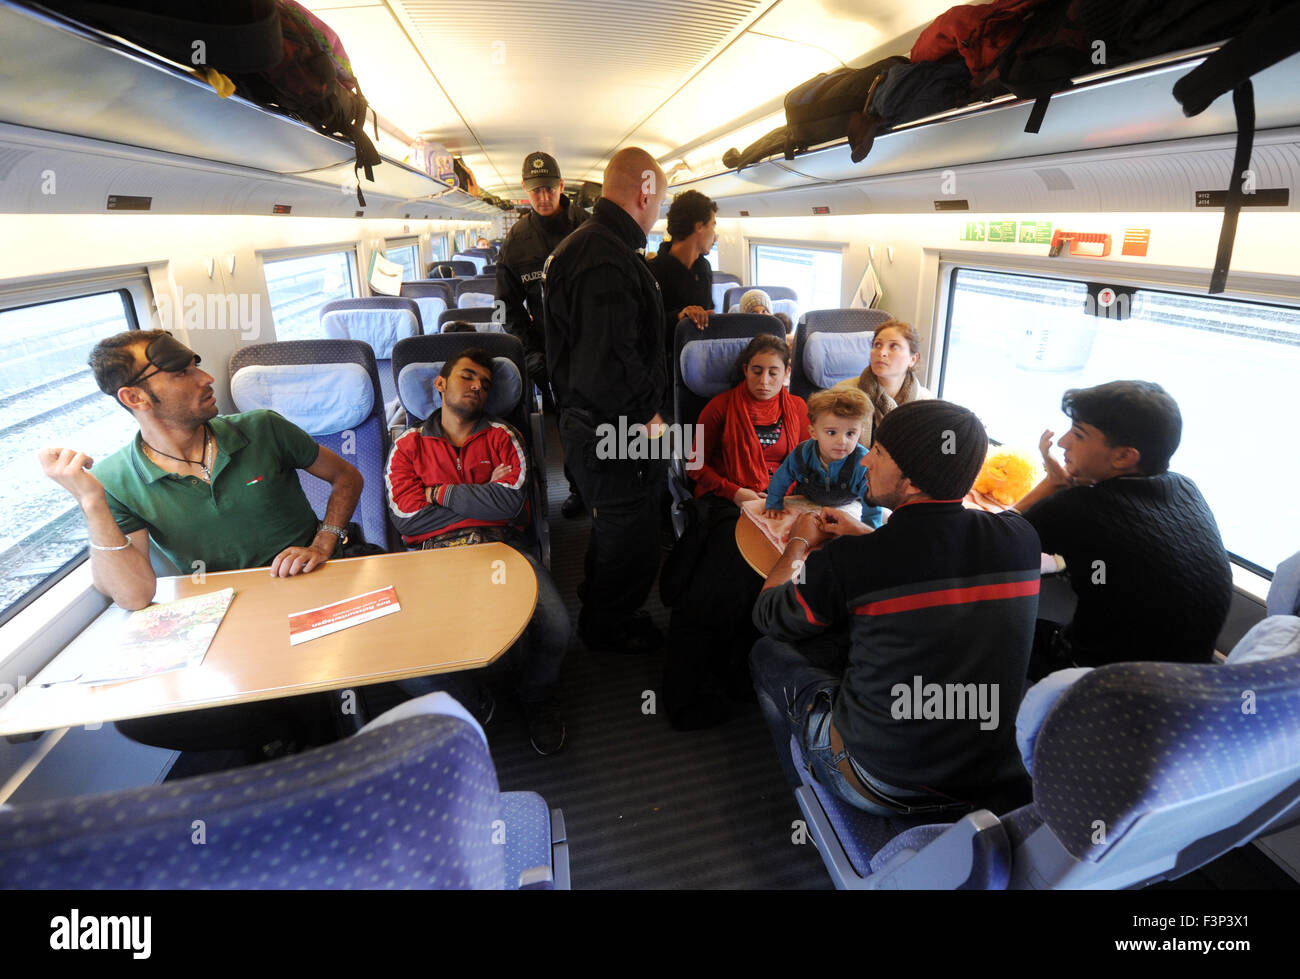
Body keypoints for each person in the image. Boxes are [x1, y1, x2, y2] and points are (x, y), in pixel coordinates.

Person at [37, 329, 364, 755]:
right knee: (143, 721)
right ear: (134, 398)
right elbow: (134, 596)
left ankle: (311, 749)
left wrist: (324, 541)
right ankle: (290, 738)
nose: (207, 377)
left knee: (312, 689)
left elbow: (347, 478)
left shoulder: (264, 428)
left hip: (316, 589)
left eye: (196, 364)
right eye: (181, 372)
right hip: (231, 619)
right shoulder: (116, 480)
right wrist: (91, 501)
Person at [751, 399, 1042, 815]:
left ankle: (811, 802)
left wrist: (799, 541)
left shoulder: (850, 560)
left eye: (880, 452)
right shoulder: (1021, 537)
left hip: (883, 780)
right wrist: (870, 535)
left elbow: (769, 614)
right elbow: (927, 557)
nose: (865, 460)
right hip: (991, 773)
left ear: (910, 479)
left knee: (767, 652)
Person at [384, 348, 569, 754]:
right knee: (401, 659)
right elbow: (407, 520)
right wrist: (482, 497)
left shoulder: (505, 436)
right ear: (440, 384)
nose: (477, 388)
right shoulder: (407, 446)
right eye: (467, 377)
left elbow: (510, 506)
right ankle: (473, 701)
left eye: (485, 384)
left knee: (557, 630)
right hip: (433, 559)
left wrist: (435, 494)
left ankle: (536, 695)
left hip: (500, 550)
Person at [1010, 380, 1232, 677]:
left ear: (1124, 457)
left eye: (1078, 434)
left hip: (1109, 683)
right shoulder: (1185, 488)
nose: (1062, 442)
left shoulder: (1079, 507)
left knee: (989, 625)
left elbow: (987, 542)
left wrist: (1052, 484)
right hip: (1189, 679)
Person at [543, 146, 670, 654]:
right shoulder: (605, 259)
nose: (658, 210)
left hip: (595, 424)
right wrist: (651, 419)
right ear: (644, 191)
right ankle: (605, 628)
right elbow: (613, 361)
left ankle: (599, 602)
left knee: (617, 527)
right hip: (613, 429)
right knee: (634, 540)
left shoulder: (591, 246)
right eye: (658, 199)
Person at [661, 334, 808, 729]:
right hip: (731, 505)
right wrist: (735, 491)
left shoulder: (798, 409)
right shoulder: (720, 407)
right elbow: (695, 465)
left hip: (786, 509)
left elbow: (809, 462)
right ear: (744, 370)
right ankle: (694, 689)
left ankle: (747, 668)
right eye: (756, 370)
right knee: (723, 588)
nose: (764, 380)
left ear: (787, 374)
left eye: (773, 372)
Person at [496, 151, 590, 519]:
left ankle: (605, 485)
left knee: (606, 419)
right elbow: (505, 307)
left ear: (562, 186)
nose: (543, 197)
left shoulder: (588, 227)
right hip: (552, 351)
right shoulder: (516, 241)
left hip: (596, 344)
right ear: (525, 191)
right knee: (569, 423)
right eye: (536, 191)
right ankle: (579, 488)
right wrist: (531, 352)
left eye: (549, 188)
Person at [836, 319, 934, 527]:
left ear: (913, 359)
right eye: (877, 345)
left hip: (903, 493)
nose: (881, 352)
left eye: (893, 346)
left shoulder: (927, 404)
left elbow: (943, 451)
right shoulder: (842, 393)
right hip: (847, 488)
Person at [763, 387, 871, 519]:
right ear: (813, 432)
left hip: (846, 508)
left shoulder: (863, 462)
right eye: (831, 432)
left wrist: (870, 530)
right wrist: (773, 504)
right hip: (804, 502)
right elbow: (781, 479)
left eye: (850, 433)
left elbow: (872, 499)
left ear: (860, 433)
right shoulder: (802, 453)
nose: (842, 441)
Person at [647, 189, 717, 367]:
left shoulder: (704, 268)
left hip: (701, 361)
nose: (715, 236)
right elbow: (646, 326)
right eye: (713, 226)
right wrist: (679, 316)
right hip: (666, 365)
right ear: (699, 226)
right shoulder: (652, 271)